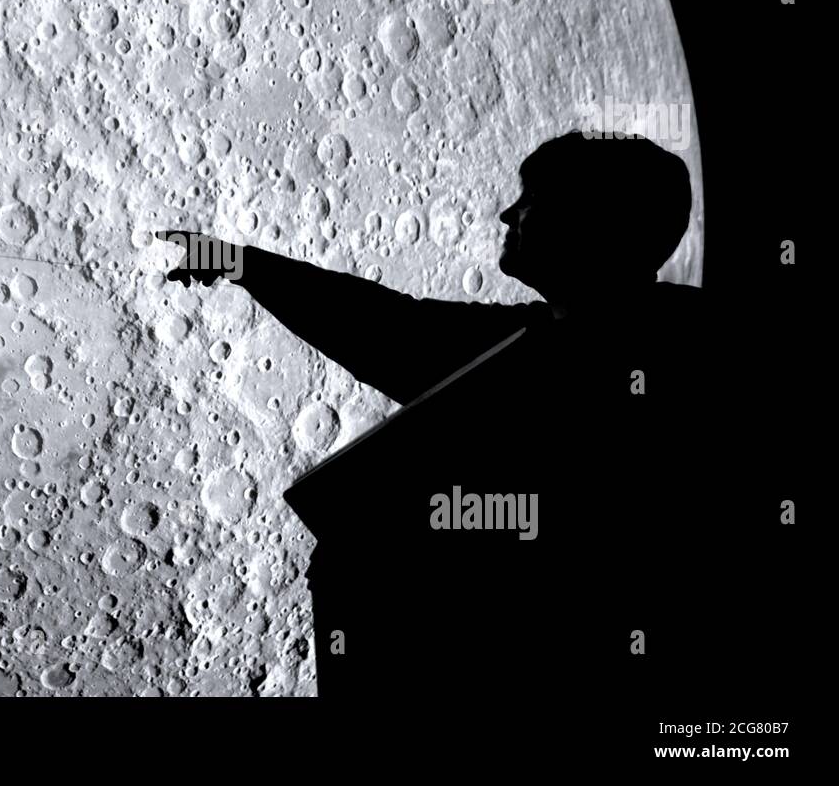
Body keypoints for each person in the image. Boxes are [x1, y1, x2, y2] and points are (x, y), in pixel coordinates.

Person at [156, 132, 732, 721]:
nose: (509, 213)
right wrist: (242, 264)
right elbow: (392, 330)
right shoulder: (549, 339)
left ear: (591, 219)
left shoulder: (686, 350)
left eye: (532, 198)